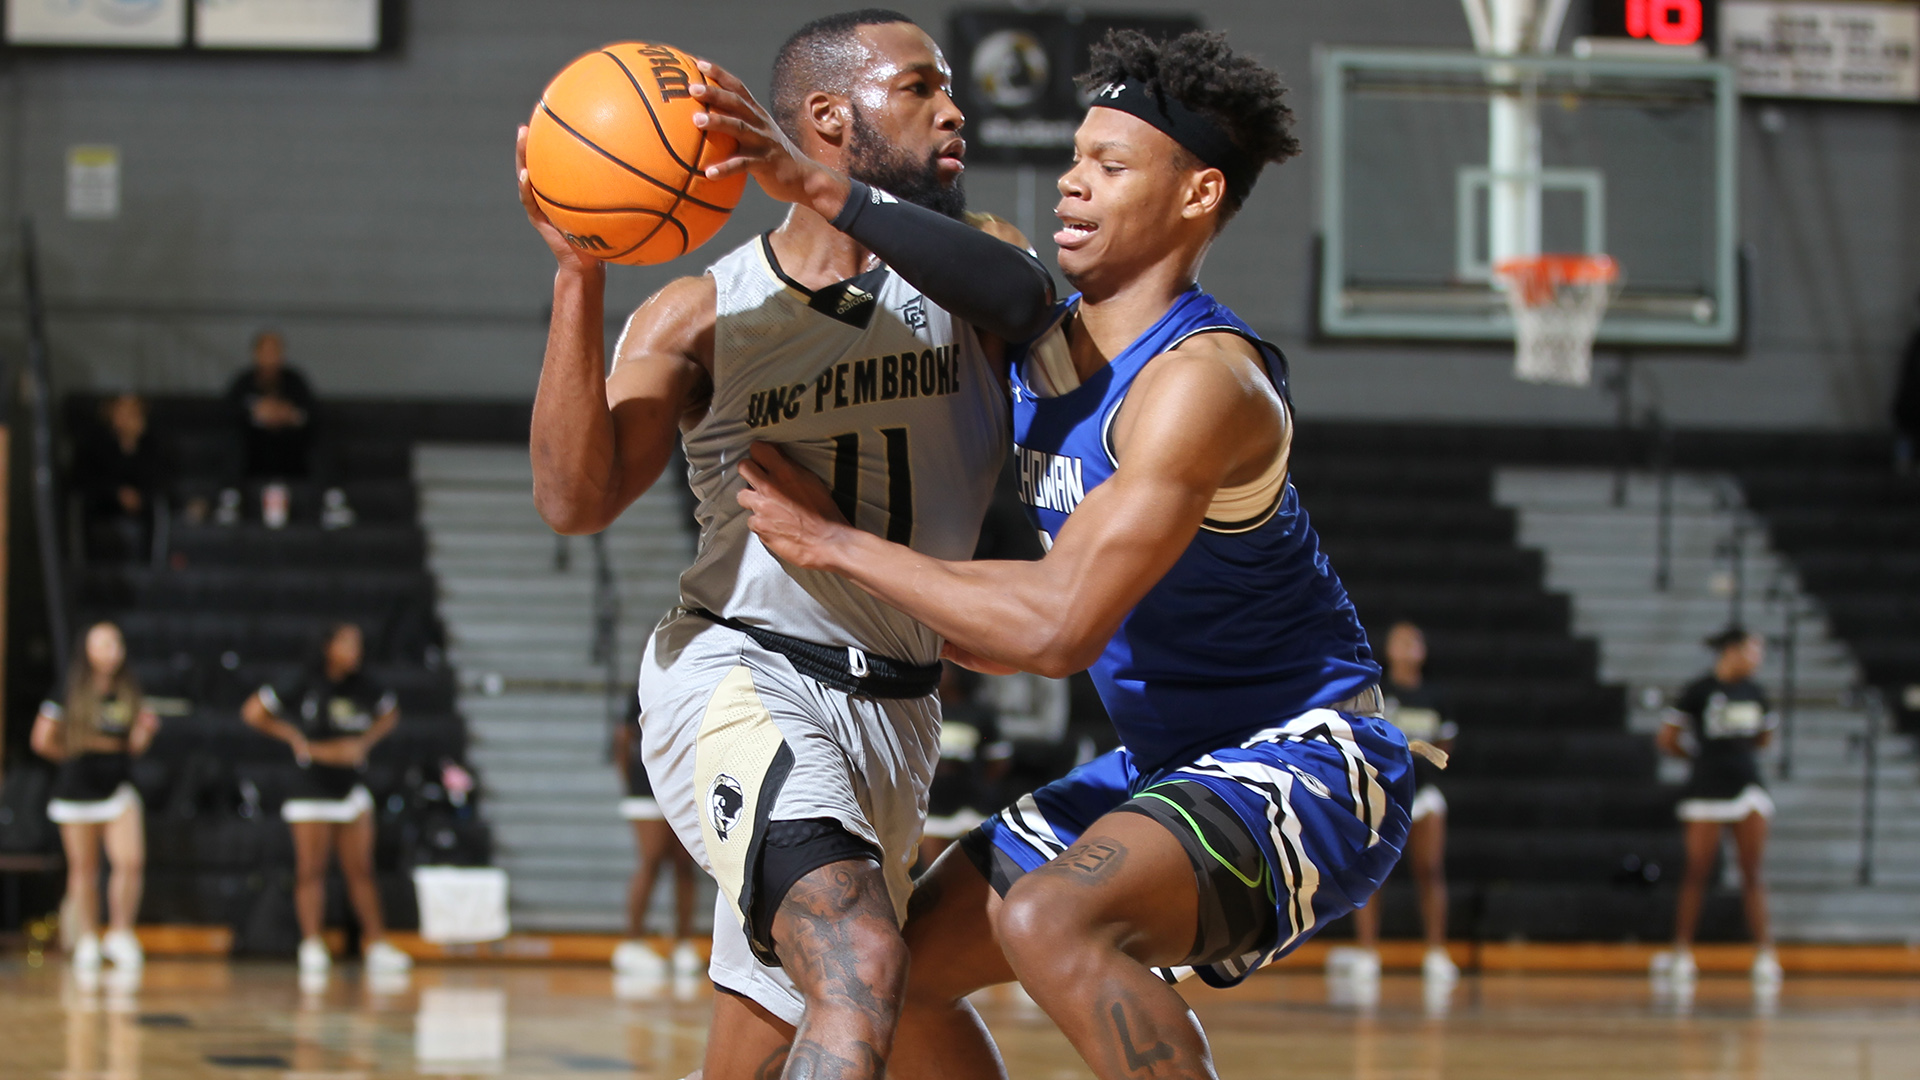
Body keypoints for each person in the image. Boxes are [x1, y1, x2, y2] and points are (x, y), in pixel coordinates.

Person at [736, 30, 1416, 1079]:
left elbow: (1056, 629)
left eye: (1111, 165)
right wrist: (817, 189)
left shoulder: (1201, 380)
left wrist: (833, 544)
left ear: (1197, 196)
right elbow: (998, 281)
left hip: (1311, 757)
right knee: (890, 970)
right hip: (1167, 764)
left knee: (1053, 918)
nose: (1073, 185)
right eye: (1074, 157)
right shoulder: (1052, 348)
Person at [518, 10, 1053, 1077]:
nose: (956, 110)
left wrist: (816, 188)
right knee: (859, 960)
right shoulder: (698, 313)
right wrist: (581, 273)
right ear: (827, 116)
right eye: (919, 88)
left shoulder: (976, 271)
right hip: (739, 672)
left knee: (809, 1032)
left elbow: (1029, 300)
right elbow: (576, 499)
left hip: (899, 705)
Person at [241, 623, 412, 978]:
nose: (354, 651)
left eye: (358, 643)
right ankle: (312, 943)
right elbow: (253, 712)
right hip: (310, 785)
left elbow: (391, 713)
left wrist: (365, 742)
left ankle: (376, 943)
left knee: (361, 870)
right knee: (311, 869)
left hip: (350, 786)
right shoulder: (301, 681)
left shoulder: (365, 686)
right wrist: (291, 736)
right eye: (346, 643)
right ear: (327, 646)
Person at [1326, 620, 1458, 986]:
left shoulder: (1434, 697)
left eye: (1414, 640)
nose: (1408, 646)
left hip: (1425, 795)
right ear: (1389, 649)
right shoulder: (1378, 693)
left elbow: (1444, 750)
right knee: (1373, 874)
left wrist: (1418, 753)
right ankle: (1368, 953)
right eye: (1400, 640)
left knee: (1430, 870)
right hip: (1383, 794)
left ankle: (1436, 952)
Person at [1654, 626, 1780, 988]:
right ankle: (1682, 952)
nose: (1758, 658)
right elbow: (1667, 739)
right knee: (1696, 871)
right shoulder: (1699, 691)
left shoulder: (1756, 693)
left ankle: (1765, 953)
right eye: (1754, 650)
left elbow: (1763, 739)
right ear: (1732, 650)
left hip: (1747, 788)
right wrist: (1700, 760)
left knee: (1752, 871)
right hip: (1706, 789)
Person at [31, 622, 160, 973]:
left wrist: (144, 732)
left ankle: (120, 932)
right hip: (77, 791)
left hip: (117, 787)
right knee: (84, 869)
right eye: (102, 643)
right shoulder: (69, 688)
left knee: (130, 861)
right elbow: (41, 740)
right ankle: (87, 937)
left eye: (116, 642)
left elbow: (133, 748)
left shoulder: (129, 689)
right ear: (86, 650)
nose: (111, 649)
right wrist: (74, 753)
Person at [611, 697, 703, 981]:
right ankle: (632, 942)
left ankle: (682, 943)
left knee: (685, 863)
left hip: (688, 782)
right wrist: (632, 782)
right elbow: (623, 736)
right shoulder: (641, 685)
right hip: (646, 786)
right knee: (651, 860)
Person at [75, 394, 162, 559]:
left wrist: (132, 443)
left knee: (155, 508)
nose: (128, 418)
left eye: (134, 413)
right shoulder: (94, 442)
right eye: (122, 411)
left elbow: (154, 479)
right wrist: (117, 492)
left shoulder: (148, 445)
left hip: (140, 509)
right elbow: (84, 479)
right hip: (101, 506)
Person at [226, 329, 316, 480]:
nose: (271, 358)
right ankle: (230, 495)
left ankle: (330, 496)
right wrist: (256, 414)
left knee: (318, 442)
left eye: (275, 351)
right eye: (266, 352)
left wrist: (289, 414)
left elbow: (311, 412)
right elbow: (229, 411)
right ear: (256, 353)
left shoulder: (295, 381)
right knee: (233, 443)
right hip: (254, 445)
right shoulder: (243, 382)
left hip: (289, 444)